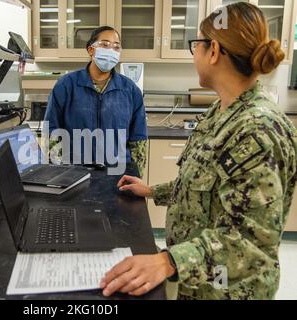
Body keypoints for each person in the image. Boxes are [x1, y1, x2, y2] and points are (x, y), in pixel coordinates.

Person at [100, 2, 297, 300]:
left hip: (228, 290)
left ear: (214, 51)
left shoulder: (258, 129)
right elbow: (205, 185)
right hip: (200, 278)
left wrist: (167, 261)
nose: (195, 55)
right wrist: (154, 191)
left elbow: (252, 242)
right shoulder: (222, 110)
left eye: (197, 46)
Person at [44, 26, 147, 175]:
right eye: (105, 44)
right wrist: (58, 173)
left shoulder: (129, 90)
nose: (111, 50)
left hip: (118, 173)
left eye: (116, 47)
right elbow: (52, 131)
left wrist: (136, 175)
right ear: (91, 50)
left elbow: (139, 139)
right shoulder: (66, 86)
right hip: (75, 173)